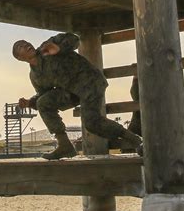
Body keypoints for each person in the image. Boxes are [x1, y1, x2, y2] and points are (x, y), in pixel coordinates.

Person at [13, 32, 143, 160]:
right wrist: (30, 102)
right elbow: (44, 95)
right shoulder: (35, 76)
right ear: (20, 58)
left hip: (90, 82)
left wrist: (59, 48)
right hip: (72, 92)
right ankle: (64, 145)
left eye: (25, 42)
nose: (26, 45)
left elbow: (74, 39)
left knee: (91, 122)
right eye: (20, 46)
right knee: (43, 102)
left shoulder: (47, 46)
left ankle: (136, 140)